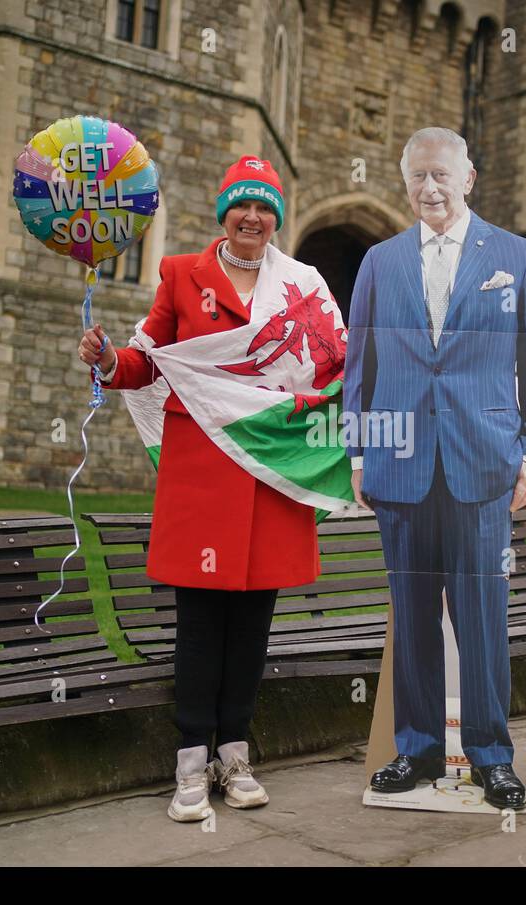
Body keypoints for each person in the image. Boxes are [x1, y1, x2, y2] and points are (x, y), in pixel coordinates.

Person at [78, 156, 343, 822]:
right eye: (240, 207)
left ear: (274, 219)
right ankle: (190, 765)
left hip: (271, 475)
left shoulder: (302, 287)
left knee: (252, 626)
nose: (251, 218)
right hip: (202, 472)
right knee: (198, 626)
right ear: (223, 212)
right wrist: (110, 361)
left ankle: (236, 753)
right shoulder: (179, 275)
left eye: (263, 209)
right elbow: (146, 364)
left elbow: (336, 365)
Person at [344, 128, 526, 810]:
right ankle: (418, 750)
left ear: (468, 178)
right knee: (410, 616)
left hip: (484, 462)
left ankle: (492, 757)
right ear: (404, 184)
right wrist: (358, 449)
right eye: (417, 178)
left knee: (483, 617)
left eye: (441, 175)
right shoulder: (379, 261)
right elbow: (361, 368)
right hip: (400, 461)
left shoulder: (516, 257)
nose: (429, 189)